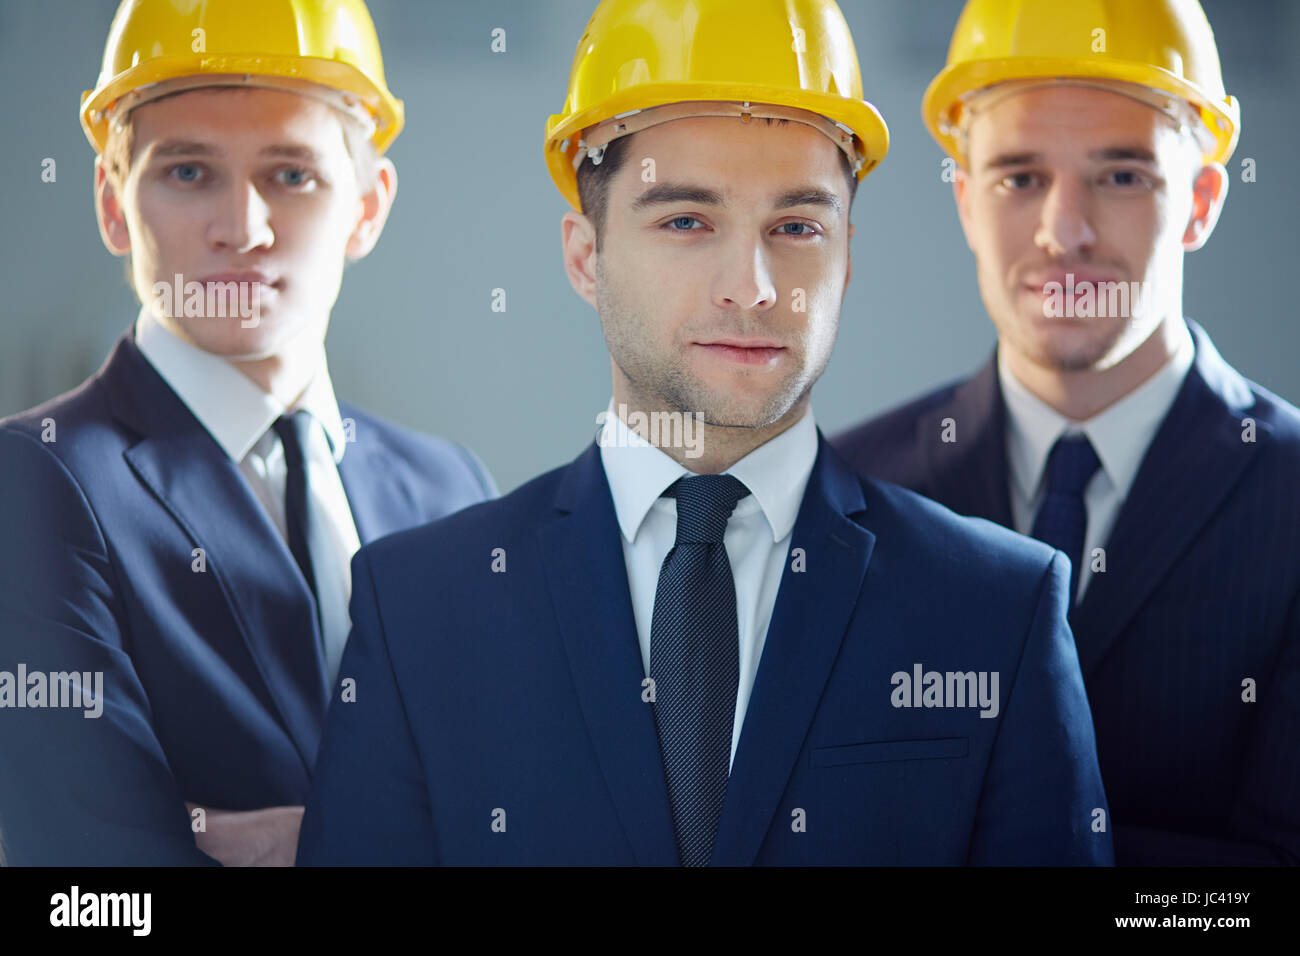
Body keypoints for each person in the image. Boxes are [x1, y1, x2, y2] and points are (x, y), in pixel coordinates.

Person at [298, 0, 1110, 867]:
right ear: (585, 255)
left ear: (846, 256)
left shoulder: (997, 609)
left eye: (797, 227)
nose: (752, 286)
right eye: (686, 221)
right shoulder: (421, 605)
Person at [0, 0, 495, 866]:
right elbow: (94, 884)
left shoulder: (452, 490)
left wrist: (291, 845)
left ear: (368, 208)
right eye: (188, 172)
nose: (244, 229)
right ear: (113, 203)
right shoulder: (35, 482)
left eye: (291, 174)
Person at [833, 0, 1300, 864]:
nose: (1064, 233)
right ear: (967, 201)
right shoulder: (852, 495)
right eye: (1020, 177)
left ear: (1200, 202)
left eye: (1121, 175)